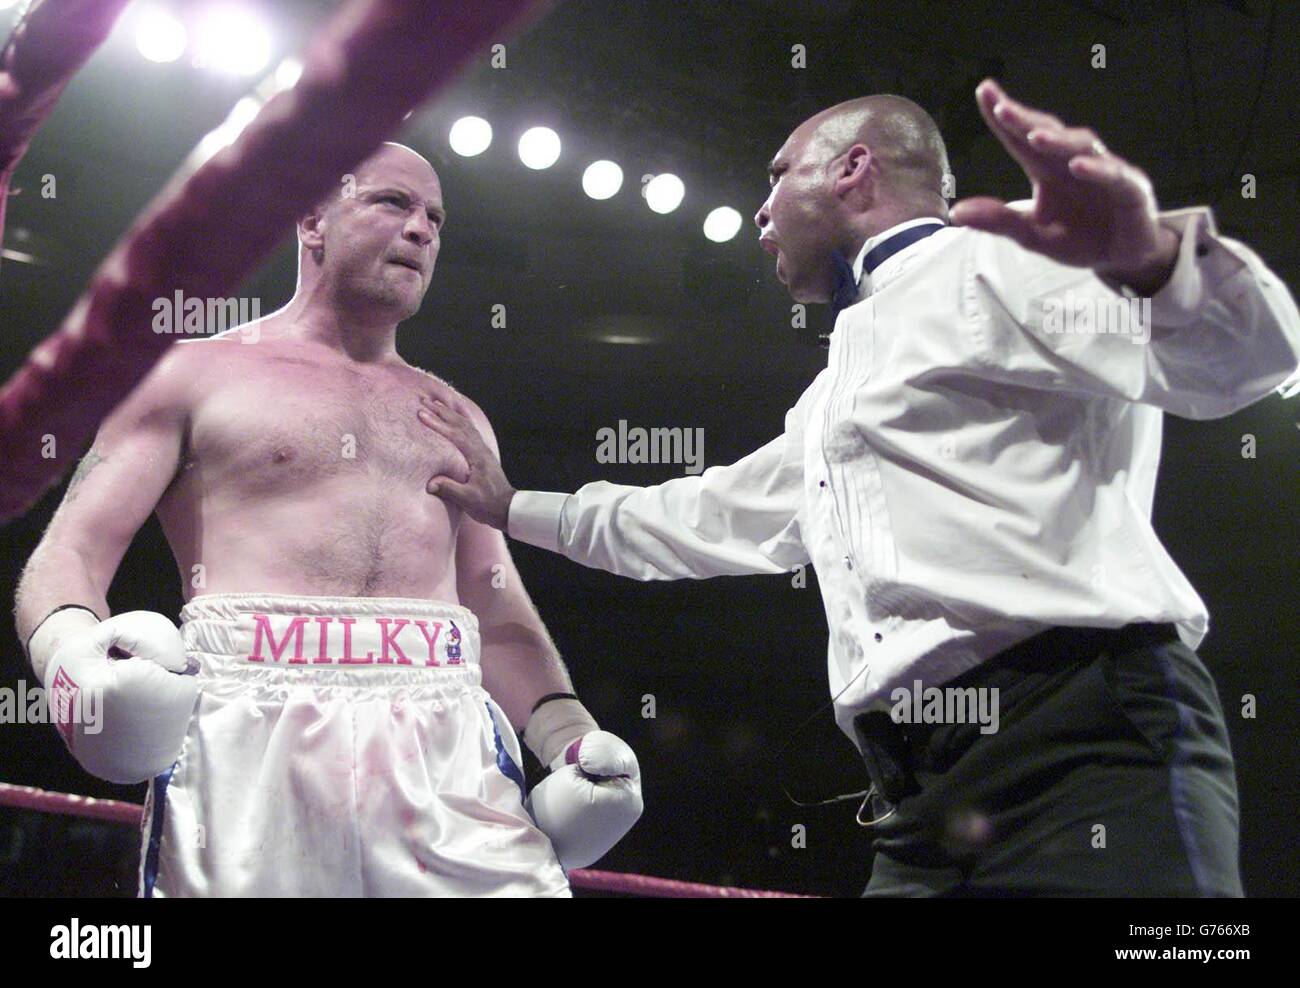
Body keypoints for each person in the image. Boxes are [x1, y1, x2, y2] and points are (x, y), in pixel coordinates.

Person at [419, 80, 1300, 897]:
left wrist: (1149, 257)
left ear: (853, 169)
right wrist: (511, 506)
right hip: (921, 801)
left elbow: (1249, 360)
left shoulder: (1001, 258)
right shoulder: (839, 385)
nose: (760, 208)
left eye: (778, 174)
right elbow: (709, 516)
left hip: (1085, 745)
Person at [14, 142, 641, 897]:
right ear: (313, 219)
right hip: (250, 731)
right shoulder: (190, 373)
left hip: (443, 742)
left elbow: (493, 593)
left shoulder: (453, 414)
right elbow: (67, 557)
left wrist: (569, 740)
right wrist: (75, 666)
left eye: (436, 219)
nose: (422, 231)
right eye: (393, 203)